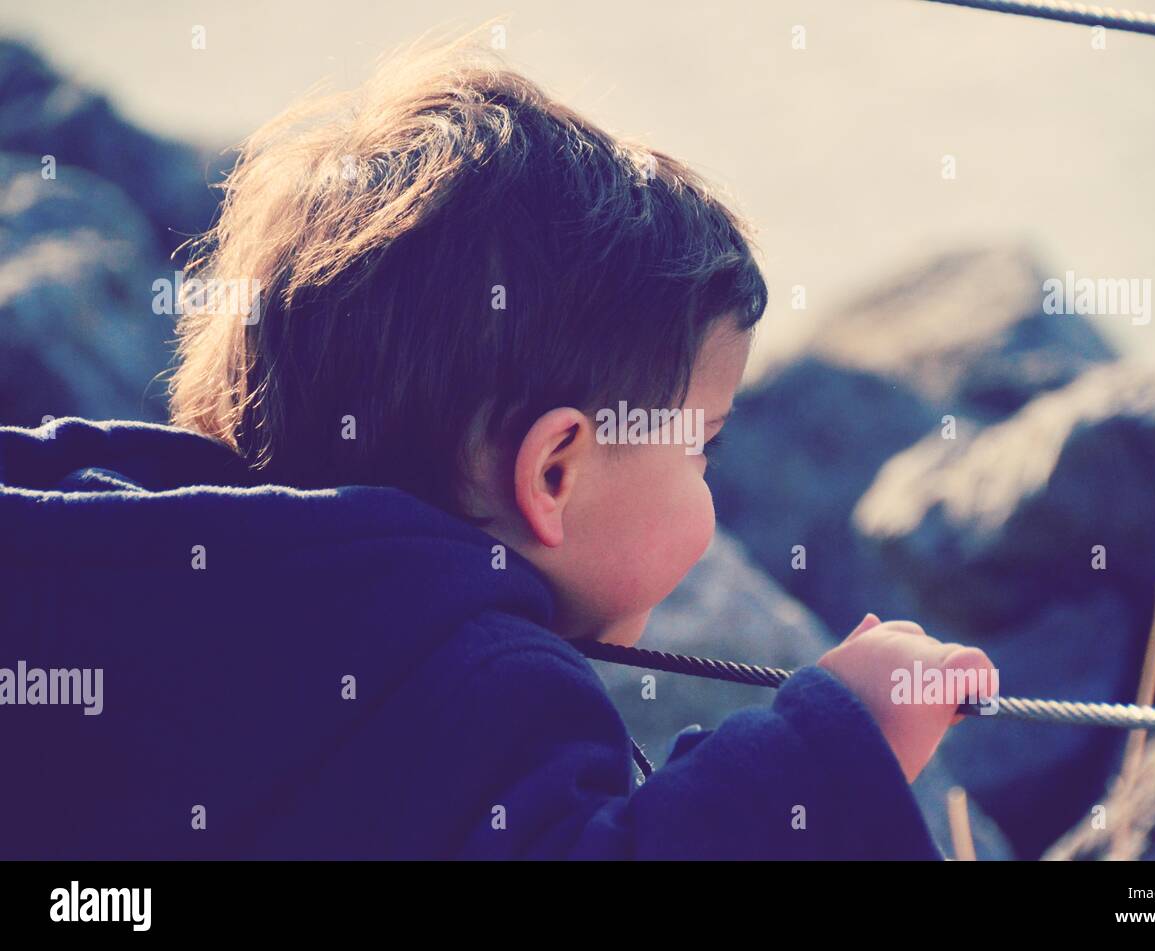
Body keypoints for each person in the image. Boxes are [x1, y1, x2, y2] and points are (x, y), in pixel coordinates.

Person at [0, 29, 994, 859]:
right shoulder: (472, 679)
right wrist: (835, 745)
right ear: (553, 472)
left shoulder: (115, 564)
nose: (710, 494)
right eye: (702, 451)